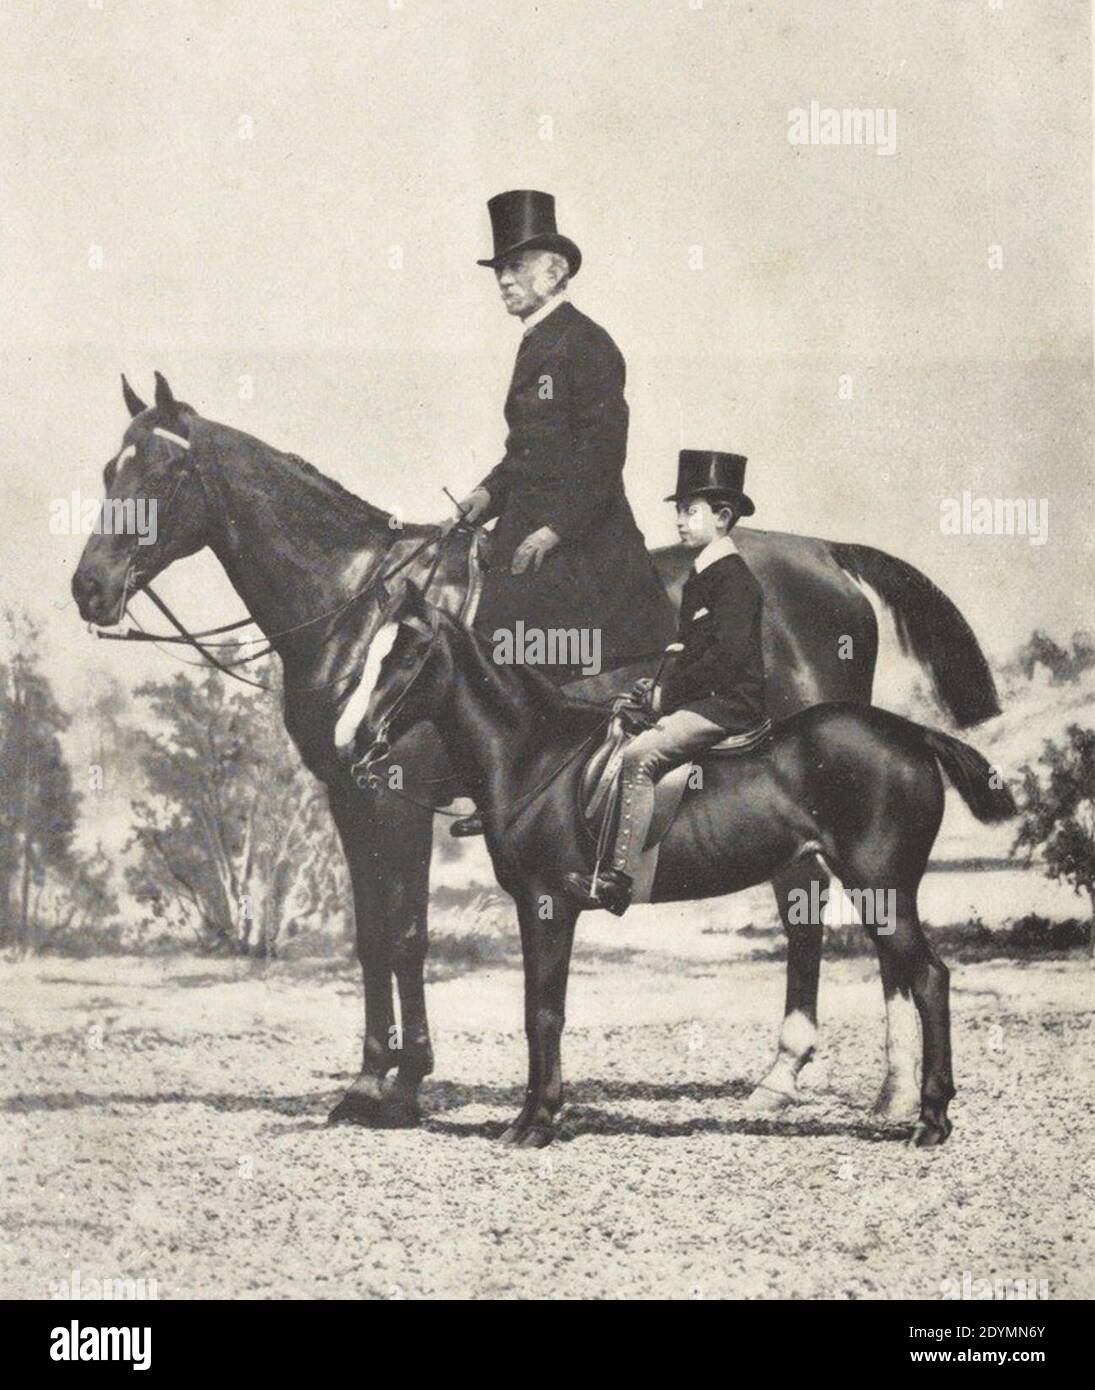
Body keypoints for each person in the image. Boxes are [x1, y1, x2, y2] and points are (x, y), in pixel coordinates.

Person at [447, 190, 674, 836]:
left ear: (555, 271)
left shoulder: (586, 343)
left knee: (503, 638)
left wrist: (552, 529)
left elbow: (603, 455)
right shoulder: (534, 342)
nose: (504, 281)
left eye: (516, 267)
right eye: (498, 271)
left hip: (583, 534)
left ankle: (536, 787)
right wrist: (482, 498)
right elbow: (524, 454)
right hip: (525, 523)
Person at [565, 450, 769, 915]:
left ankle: (617, 879)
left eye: (690, 511)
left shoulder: (734, 580)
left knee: (639, 757)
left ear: (722, 517)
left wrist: (666, 695)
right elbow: (688, 652)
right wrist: (648, 693)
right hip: (702, 701)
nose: (679, 520)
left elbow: (726, 661)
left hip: (730, 706)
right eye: (678, 510)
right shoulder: (704, 575)